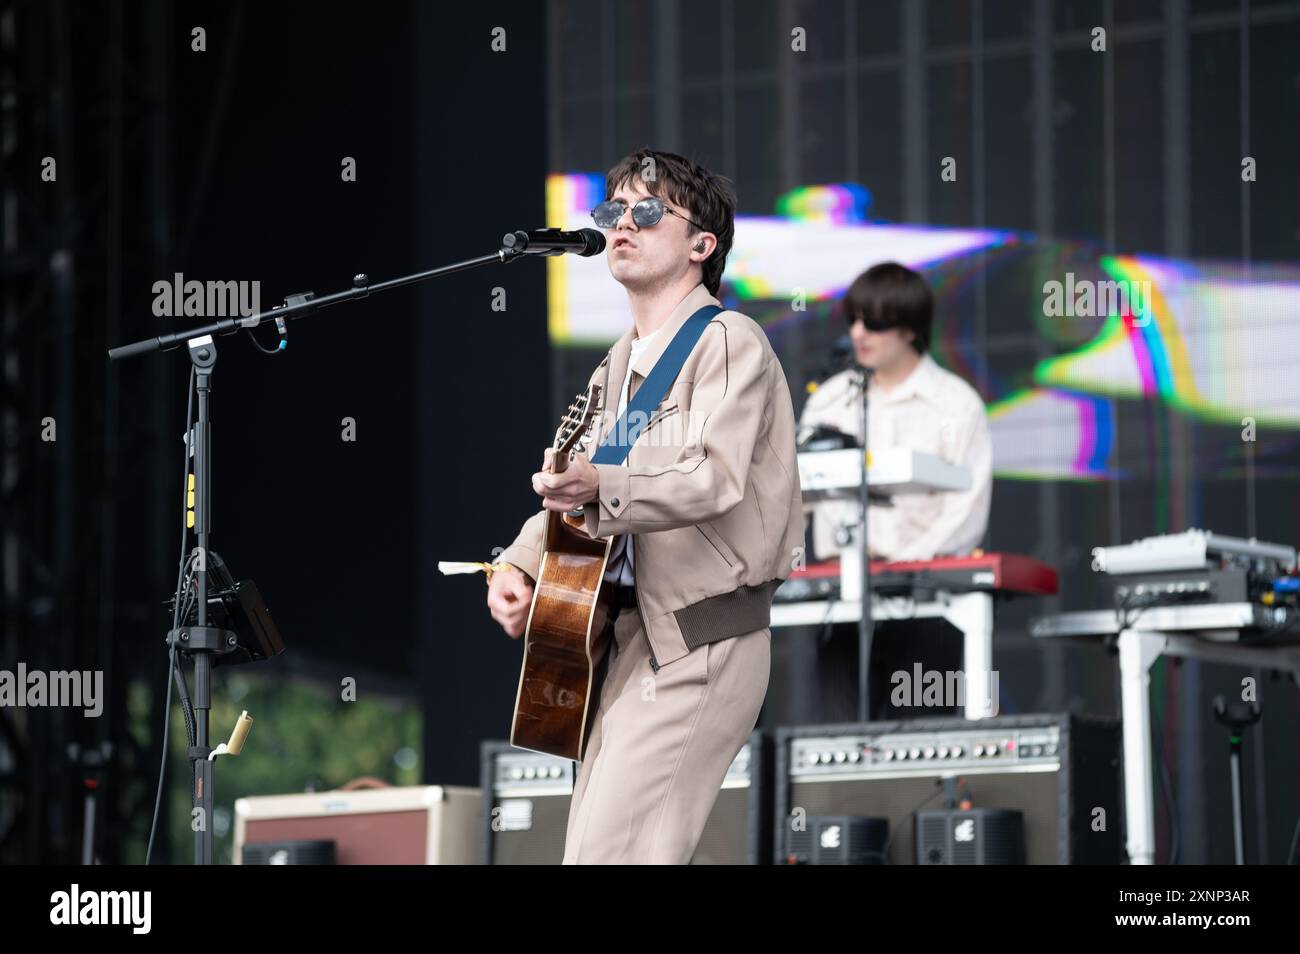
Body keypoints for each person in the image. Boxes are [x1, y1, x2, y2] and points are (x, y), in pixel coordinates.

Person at [487, 148, 804, 863]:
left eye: (650, 211)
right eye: (614, 211)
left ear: (702, 244)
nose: (623, 224)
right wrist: (519, 565)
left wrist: (601, 485)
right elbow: (585, 486)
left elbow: (710, 478)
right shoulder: (619, 361)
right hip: (627, 642)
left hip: (699, 637)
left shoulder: (730, 340)